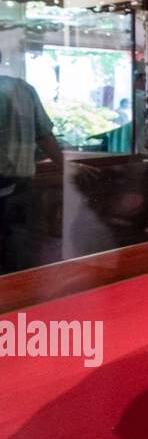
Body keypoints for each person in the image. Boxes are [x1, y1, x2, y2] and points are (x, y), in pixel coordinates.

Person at [0, 49, 64, 272]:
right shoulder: (23, 89)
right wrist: (65, 167)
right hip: (20, 186)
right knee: (14, 253)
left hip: (11, 184)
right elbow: (44, 136)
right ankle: (17, 303)